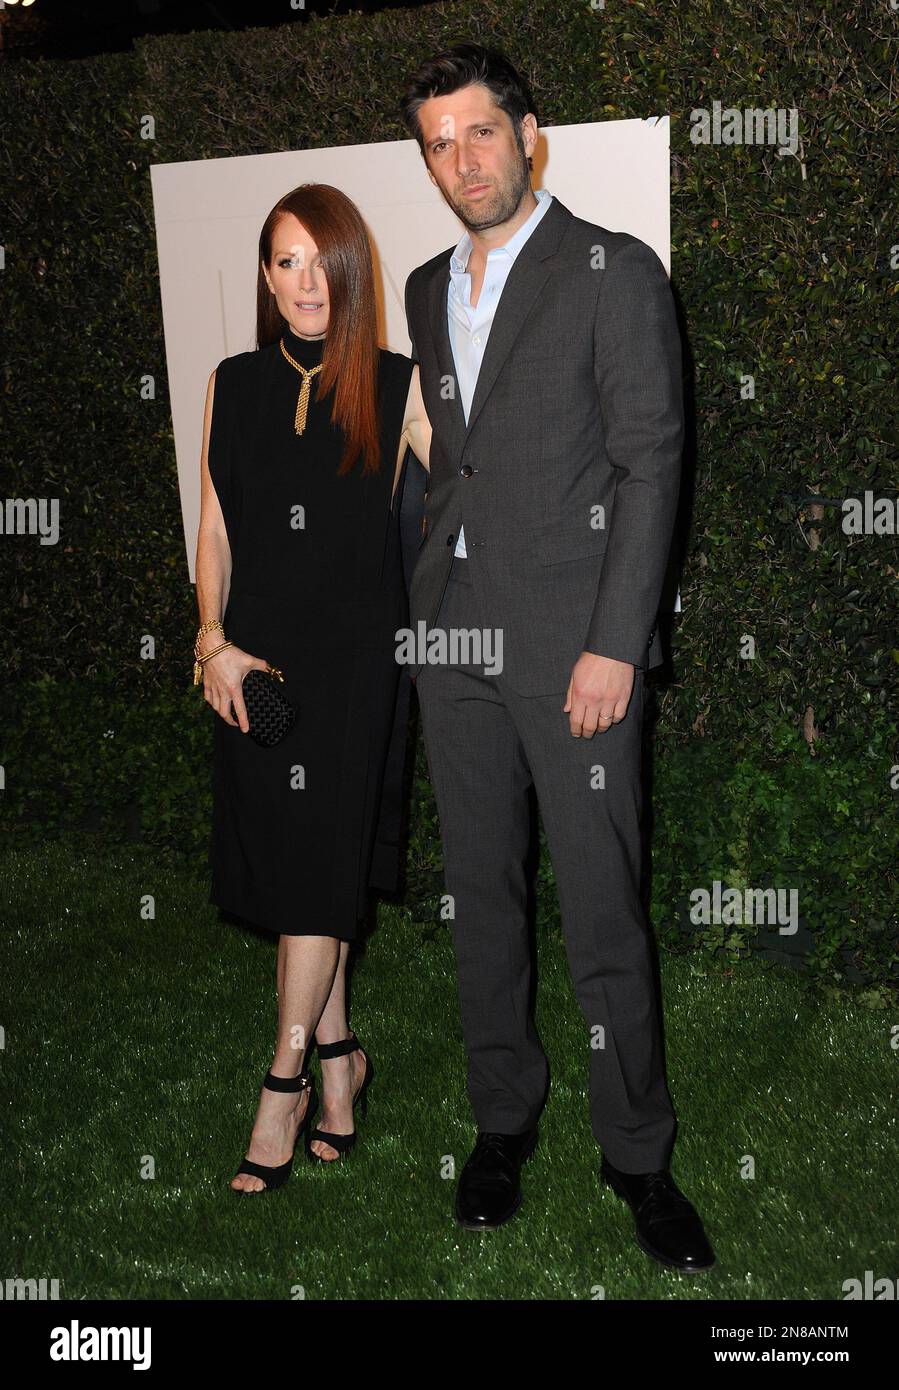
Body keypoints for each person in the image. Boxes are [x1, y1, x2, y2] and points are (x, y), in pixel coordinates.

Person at [400, 43, 715, 1270]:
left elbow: (651, 464)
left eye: (479, 133)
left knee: (600, 909)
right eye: (437, 141)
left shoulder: (612, 270)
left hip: (574, 649)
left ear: (529, 137)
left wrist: (613, 646)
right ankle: (500, 1120)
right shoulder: (429, 287)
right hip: (454, 641)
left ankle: (635, 1150)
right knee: (482, 895)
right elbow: (455, 452)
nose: (460, 161)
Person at [194, 183, 430, 1191]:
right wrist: (209, 640)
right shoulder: (231, 382)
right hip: (253, 669)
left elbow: (477, 496)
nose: (302, 281)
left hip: (353, 676)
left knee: (317, 881)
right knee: (301, 881)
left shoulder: (396, 383)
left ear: (350, 273)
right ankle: (343, 1073)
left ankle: (281, 1085)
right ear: (265, 275)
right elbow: (214, 525)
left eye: (318, 261)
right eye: (283, 261)